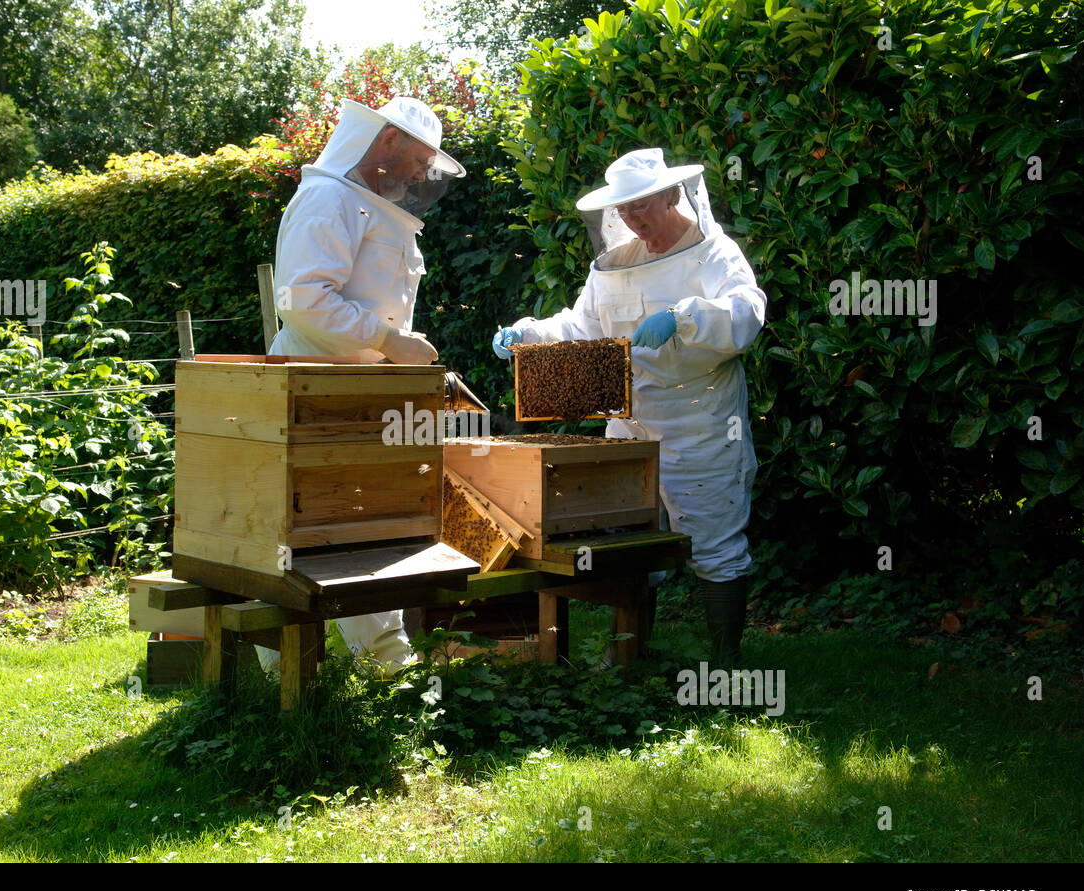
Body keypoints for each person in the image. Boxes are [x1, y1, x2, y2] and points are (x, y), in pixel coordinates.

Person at [492, 148, 765, 666]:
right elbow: (582, 330)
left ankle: (726, 666)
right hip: (629, 423)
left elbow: (745, 313)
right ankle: (632, 658)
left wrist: (683, 317)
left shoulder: (714, 253)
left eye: (641, 206)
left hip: (701, 423)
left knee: (714, 542)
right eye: (623, 211)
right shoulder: (615, 265)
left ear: (670, 194)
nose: (632, 219)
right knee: (628, 542)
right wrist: (532, 333)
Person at [261, 96, 466, 675]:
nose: (422, 174)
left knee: (359, 526)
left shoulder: (371, 204)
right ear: (387, 142)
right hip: (313, 388)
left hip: (357, 387)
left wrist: (392, 341)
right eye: (419, 158)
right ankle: (302, 677)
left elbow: (366, 300)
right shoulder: (328, 199)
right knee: (318, 529)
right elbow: (304, 302)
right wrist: (390, 340)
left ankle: (374, 671)